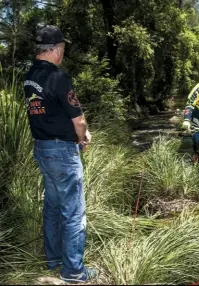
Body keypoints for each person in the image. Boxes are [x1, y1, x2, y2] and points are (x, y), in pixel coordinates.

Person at [23, 25, 97, 283]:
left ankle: (53, 259)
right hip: (63, 152)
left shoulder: (29, 76)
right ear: (54, 50)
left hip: (42, 148)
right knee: (74, 212)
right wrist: (83, 136)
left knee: (53, 207)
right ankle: (74, 271)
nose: (63, 54)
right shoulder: (58, 77)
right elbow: (78, 120)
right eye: (63, 49)